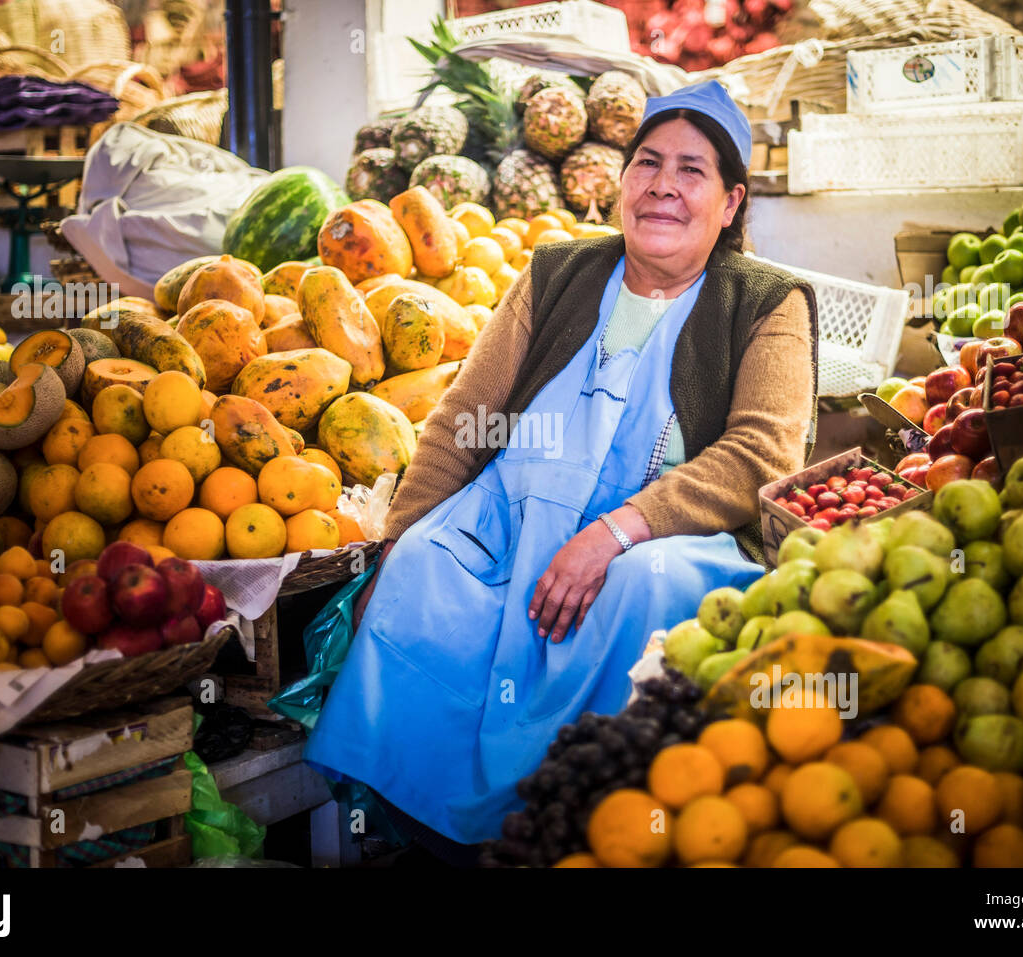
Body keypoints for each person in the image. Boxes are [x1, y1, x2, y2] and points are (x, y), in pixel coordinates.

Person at [305, 79, 818, 855]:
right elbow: (458, 425)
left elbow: (760, 456)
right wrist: (393, 543)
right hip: (514, 527)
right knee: (420, 572)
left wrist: (614, 532)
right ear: (622, 181)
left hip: (654, 540)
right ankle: (425, 833)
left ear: (731, 201)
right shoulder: (556, 274)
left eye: (691, 171)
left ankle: (571, 828)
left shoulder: (767, 302)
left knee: (635, 591)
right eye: (648, 164)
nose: (663, 188)